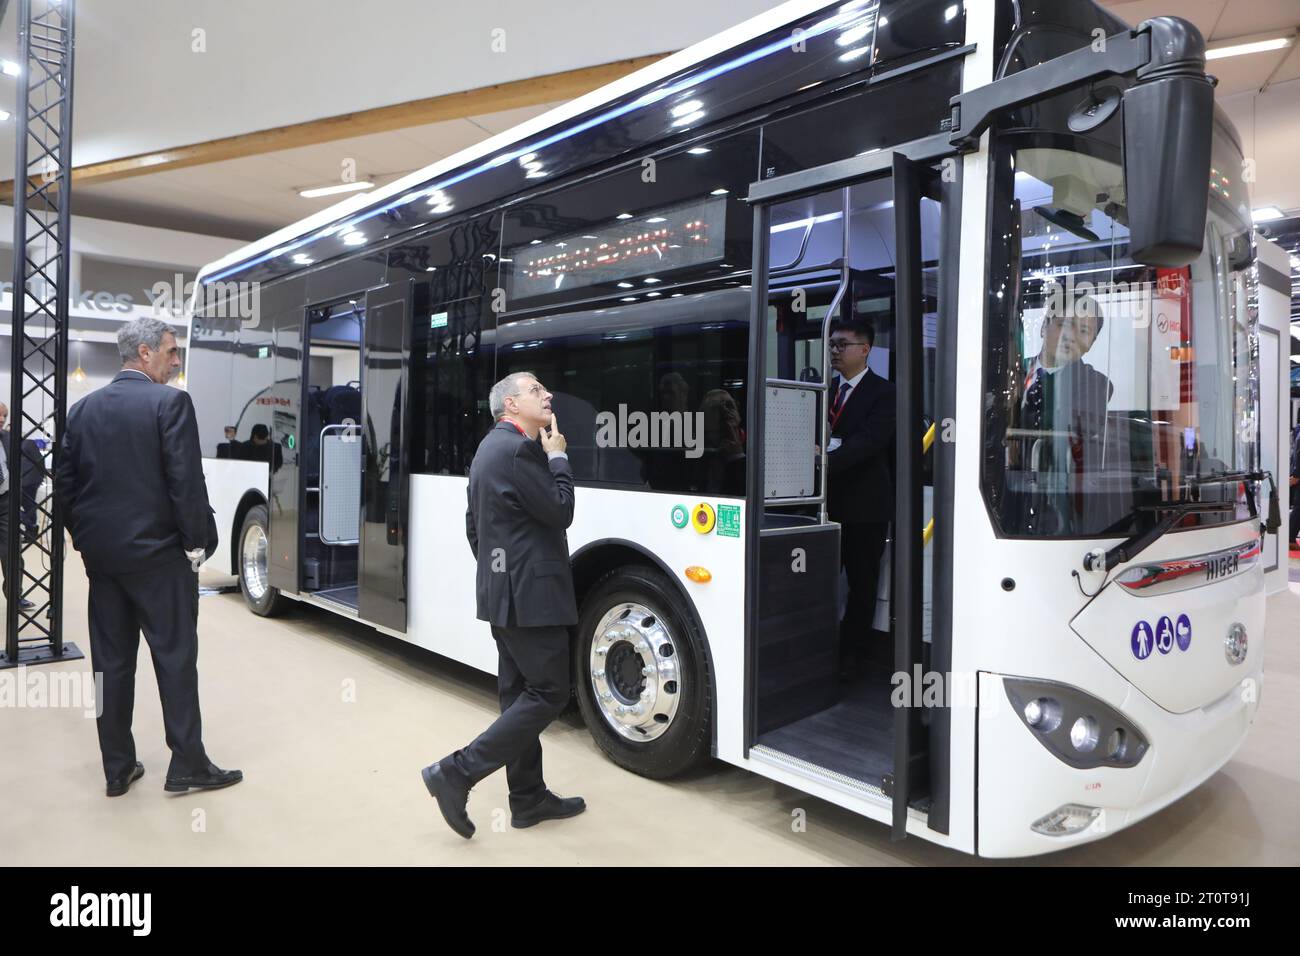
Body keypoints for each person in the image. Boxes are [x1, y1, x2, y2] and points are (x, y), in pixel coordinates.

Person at [54, 317, 242, 798]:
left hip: (106, 565)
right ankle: (188, 764)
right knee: (175, 659)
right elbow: (185, 483)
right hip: (160, 560)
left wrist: (88, 542)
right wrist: (197, 544)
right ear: (144, 354)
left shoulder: (81, 412)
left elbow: (65, 492)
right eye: (170, 351)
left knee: (110, 665)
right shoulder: (171, 403)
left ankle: (117, 768)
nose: (176, 360)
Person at [420, 371, 585, 838]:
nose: (548, 394)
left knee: (518, 695)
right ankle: (457, 772)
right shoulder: (519, 450)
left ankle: (528, 798)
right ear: (511, 405)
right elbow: (560, 510)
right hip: (533, 600)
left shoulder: (487, 449)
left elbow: (475, 528)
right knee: (549, 693)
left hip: (504, 596)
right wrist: (558, 458)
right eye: (536, 390)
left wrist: (502, 575)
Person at [825, 319, 896, 674]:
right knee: (820, 581)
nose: (835, 351)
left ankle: (853, 655)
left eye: (842, 345)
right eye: (832, 345)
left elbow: (869, 443)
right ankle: (818, 648)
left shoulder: (884, 393)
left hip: (866, 506)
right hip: (826, 504)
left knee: (862, 583)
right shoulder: (825, 391)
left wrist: (823, 463)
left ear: (864, 350)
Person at [0, 402, 41, 609]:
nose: (1, 419)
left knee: (12, 553)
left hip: (6, 503)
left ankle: (15, 596)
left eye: (4, 416)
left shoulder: (10, 440)